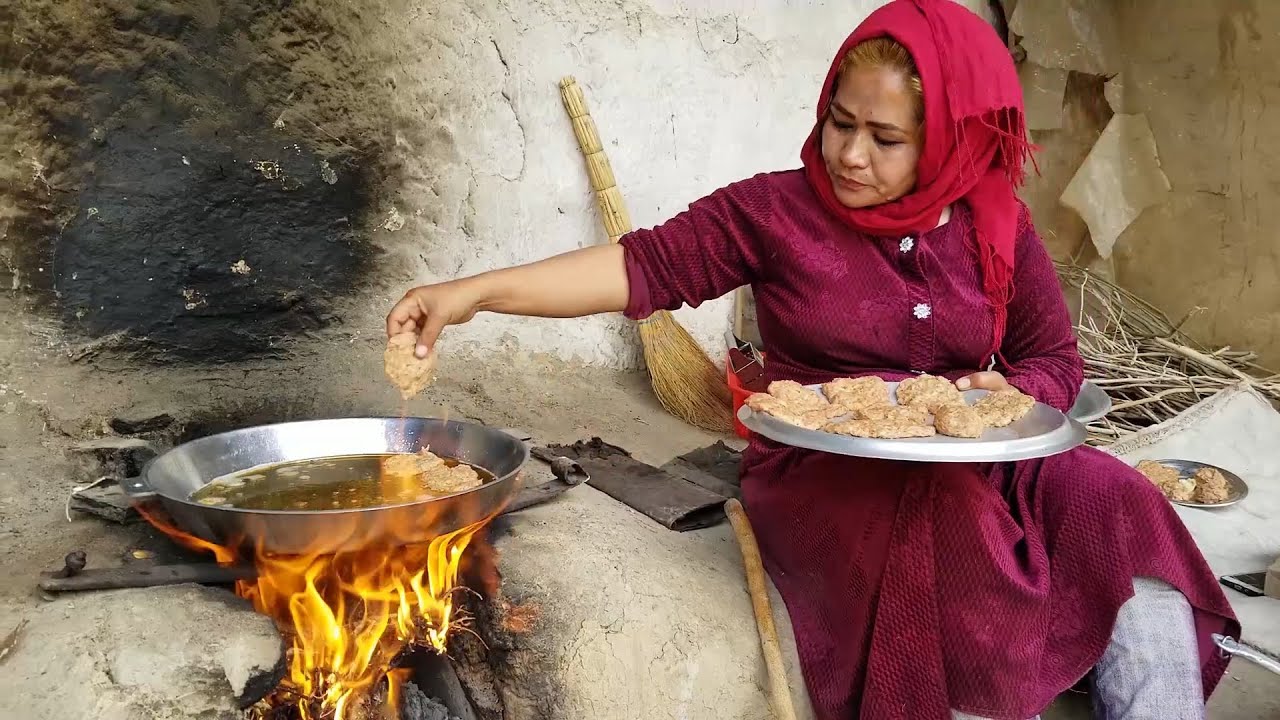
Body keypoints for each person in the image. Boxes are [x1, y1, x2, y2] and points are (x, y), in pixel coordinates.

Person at [386, 1, 1240, 717]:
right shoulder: (775, 213)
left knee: (1114, 499)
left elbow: (1051, 358)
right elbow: (638, 268)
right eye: (840, 122)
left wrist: (1006, 396)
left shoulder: (996, 224)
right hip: (825, 471)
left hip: (978, 451)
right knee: (947, 527)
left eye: (885, 138)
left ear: (945, 142)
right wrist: (474, 293)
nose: (850, 155)